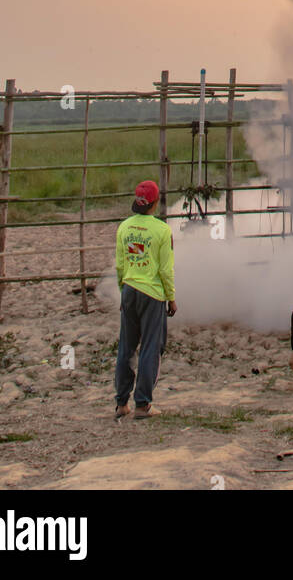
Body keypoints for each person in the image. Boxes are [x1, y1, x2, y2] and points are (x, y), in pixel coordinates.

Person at [114, 179, 176, 420]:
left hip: (129, 289)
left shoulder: (124, 228)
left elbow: (120, 264)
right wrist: (171, 298)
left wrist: (124, 290)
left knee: (126, 347)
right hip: (153, 294)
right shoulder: (162, 230)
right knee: (151, 346)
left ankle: (121, 403)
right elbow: (165, 270)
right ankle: (143, 403)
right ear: (155, 202)